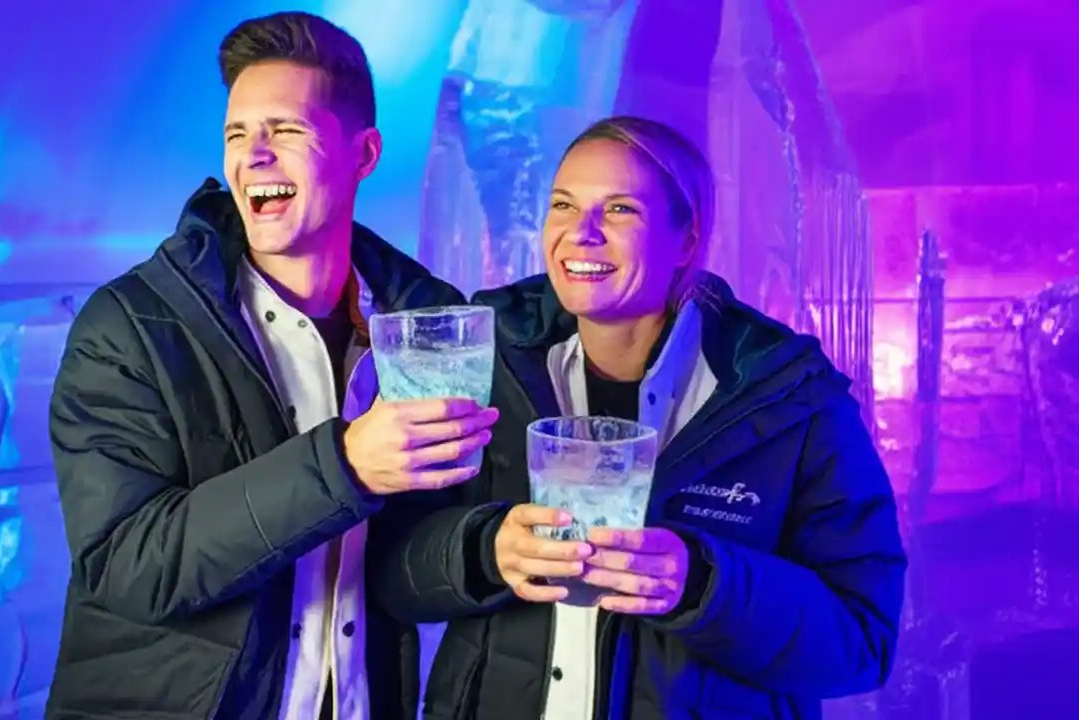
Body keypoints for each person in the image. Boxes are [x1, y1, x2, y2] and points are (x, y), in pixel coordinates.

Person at [370, 116, 907, 719]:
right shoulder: (483, 365)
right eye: (564, 205)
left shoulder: (789, 400)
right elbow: (388, 572)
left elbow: (862, 643)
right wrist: (485, 549)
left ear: (685, 239)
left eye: (621, 210)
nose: (582, 233)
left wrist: (704, 585)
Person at [46, 12, 497, 720]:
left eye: (285, 130)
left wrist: (494, 550)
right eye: (237, 134)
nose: (252, 156)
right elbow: (124, 567)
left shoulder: (425, 327)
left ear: (364, 154)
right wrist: (344, 466)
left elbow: (403, 567)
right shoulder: (130, 327)